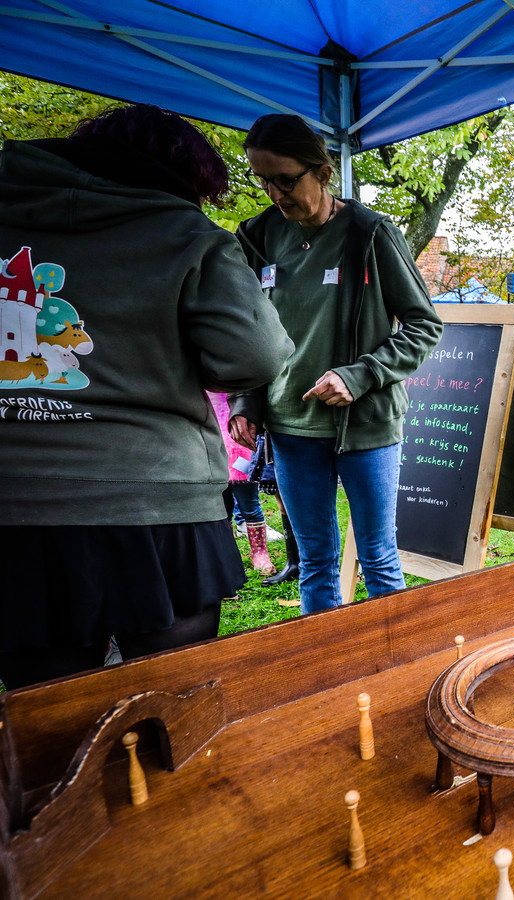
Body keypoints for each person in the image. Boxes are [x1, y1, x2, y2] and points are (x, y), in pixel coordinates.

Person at [0, 104, 292, 690]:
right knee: (172, 702)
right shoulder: (184, 234)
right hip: (156, 499)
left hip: (17, 505)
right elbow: (255, 356)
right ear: (180, 180)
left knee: (48, 715)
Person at [230, 114, 443, 614]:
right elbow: (247, 334)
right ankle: (328, 676)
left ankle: (394, 672)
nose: (274, 193)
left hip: (366, 426)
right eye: (262, 179)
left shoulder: (370, 234)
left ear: (323, 173)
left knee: (377, 559)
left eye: (286, 179)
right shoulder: (256, 237)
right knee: (316, 562)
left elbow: (423, 325)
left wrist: (359, 374)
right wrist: (247, 400)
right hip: (290, 427)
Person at [208, 391, 274, 576]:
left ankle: (260, 553)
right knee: (222, 509)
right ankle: (227, 555)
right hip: (214, 448)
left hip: (241, 448)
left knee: (250, 505)